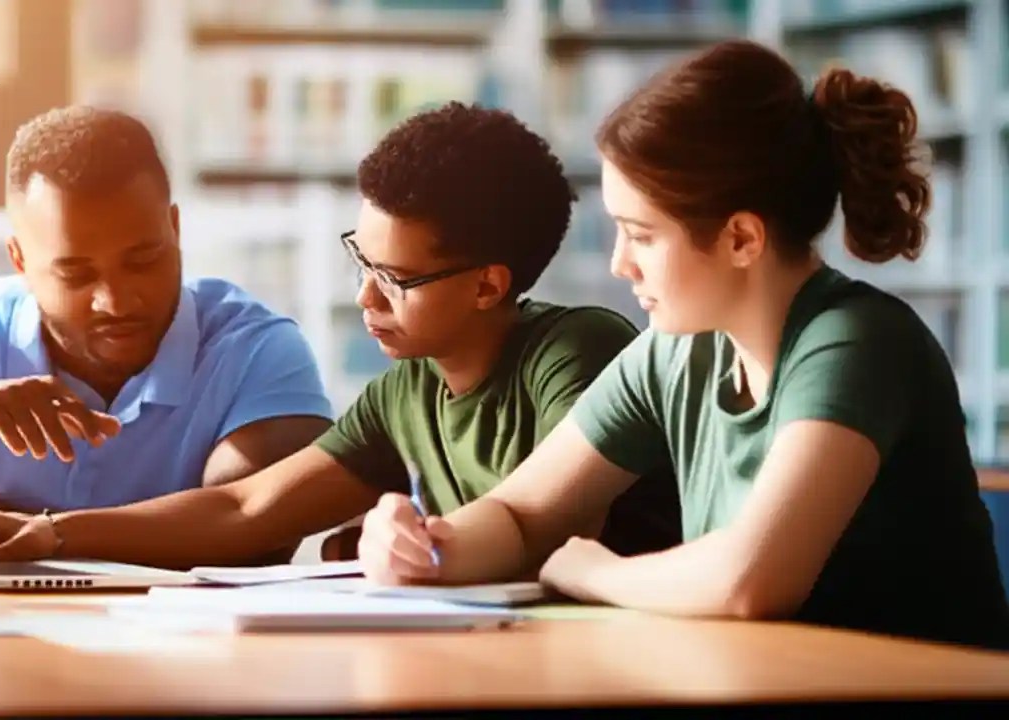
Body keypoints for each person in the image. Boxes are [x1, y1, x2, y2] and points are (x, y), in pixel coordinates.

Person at [356, 40, 1009, 651]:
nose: (619, 263)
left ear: (741, 240)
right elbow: (523, 515)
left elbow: (748, 581)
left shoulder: (856, 343)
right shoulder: (678, 352)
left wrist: (593, 571)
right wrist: (423, 545)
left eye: (640, 235)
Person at [0, 101, 681, 567]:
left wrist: (409, 545)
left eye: (396, 278)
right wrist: (57, 533)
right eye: (360, 260)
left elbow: (558, 531)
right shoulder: (405, 394)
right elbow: (246, 510)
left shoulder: (578, 349)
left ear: (489, 286)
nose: (365, 295)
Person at [0, 106, 334, 561]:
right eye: (76, 273)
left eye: (142, 260)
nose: (115, 301)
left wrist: (25, 522)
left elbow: (249, 531)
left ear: (175, 228)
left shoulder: (258, 349)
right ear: (19, 259)